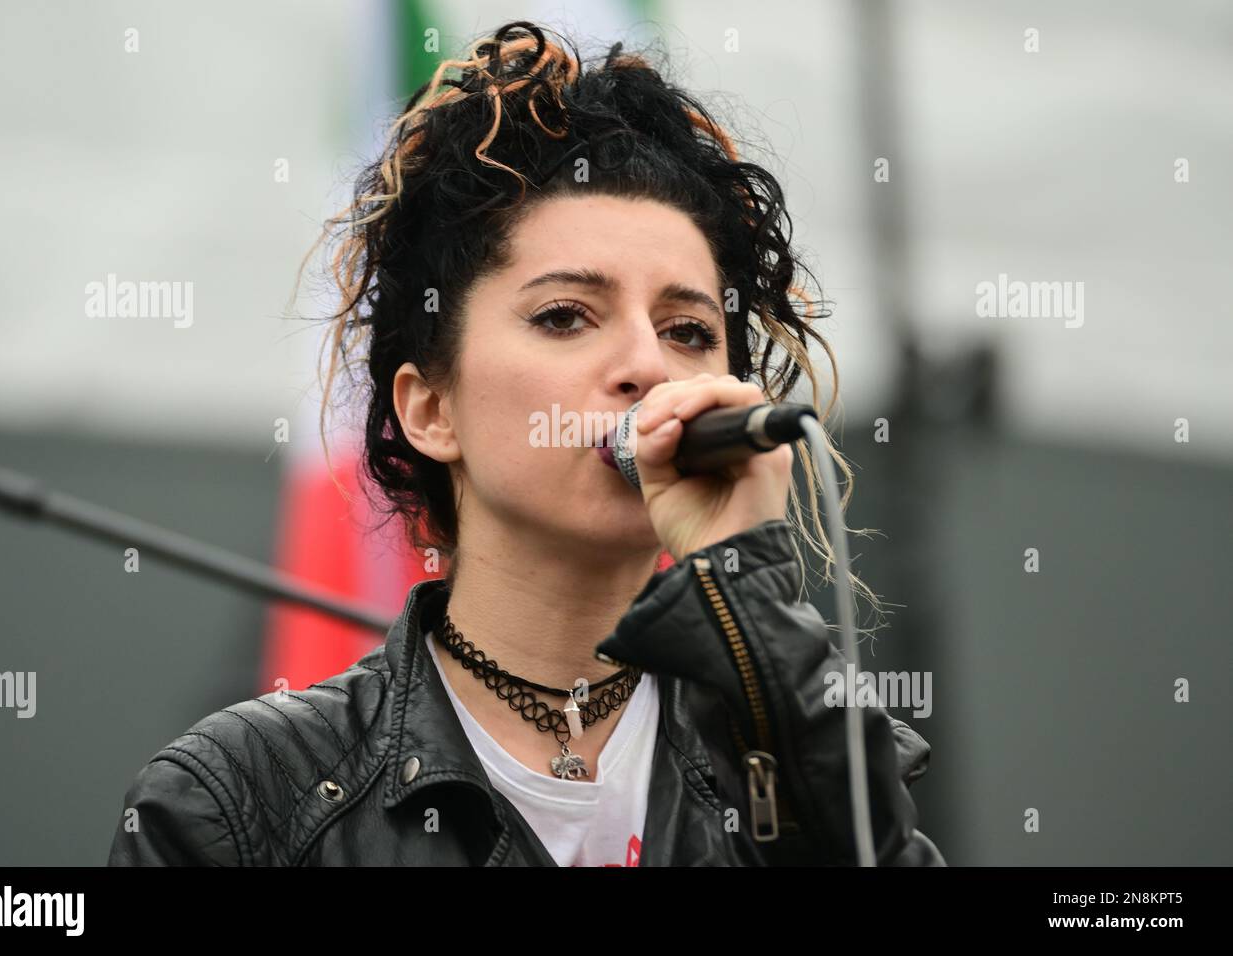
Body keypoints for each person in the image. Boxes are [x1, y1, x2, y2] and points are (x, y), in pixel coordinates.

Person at [107, 20, 945, 867]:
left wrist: (747, 582)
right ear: (429, 410)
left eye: (688, 330)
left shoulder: (795, 767)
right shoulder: (237, 803)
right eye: (564, 316)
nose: (646, 364)